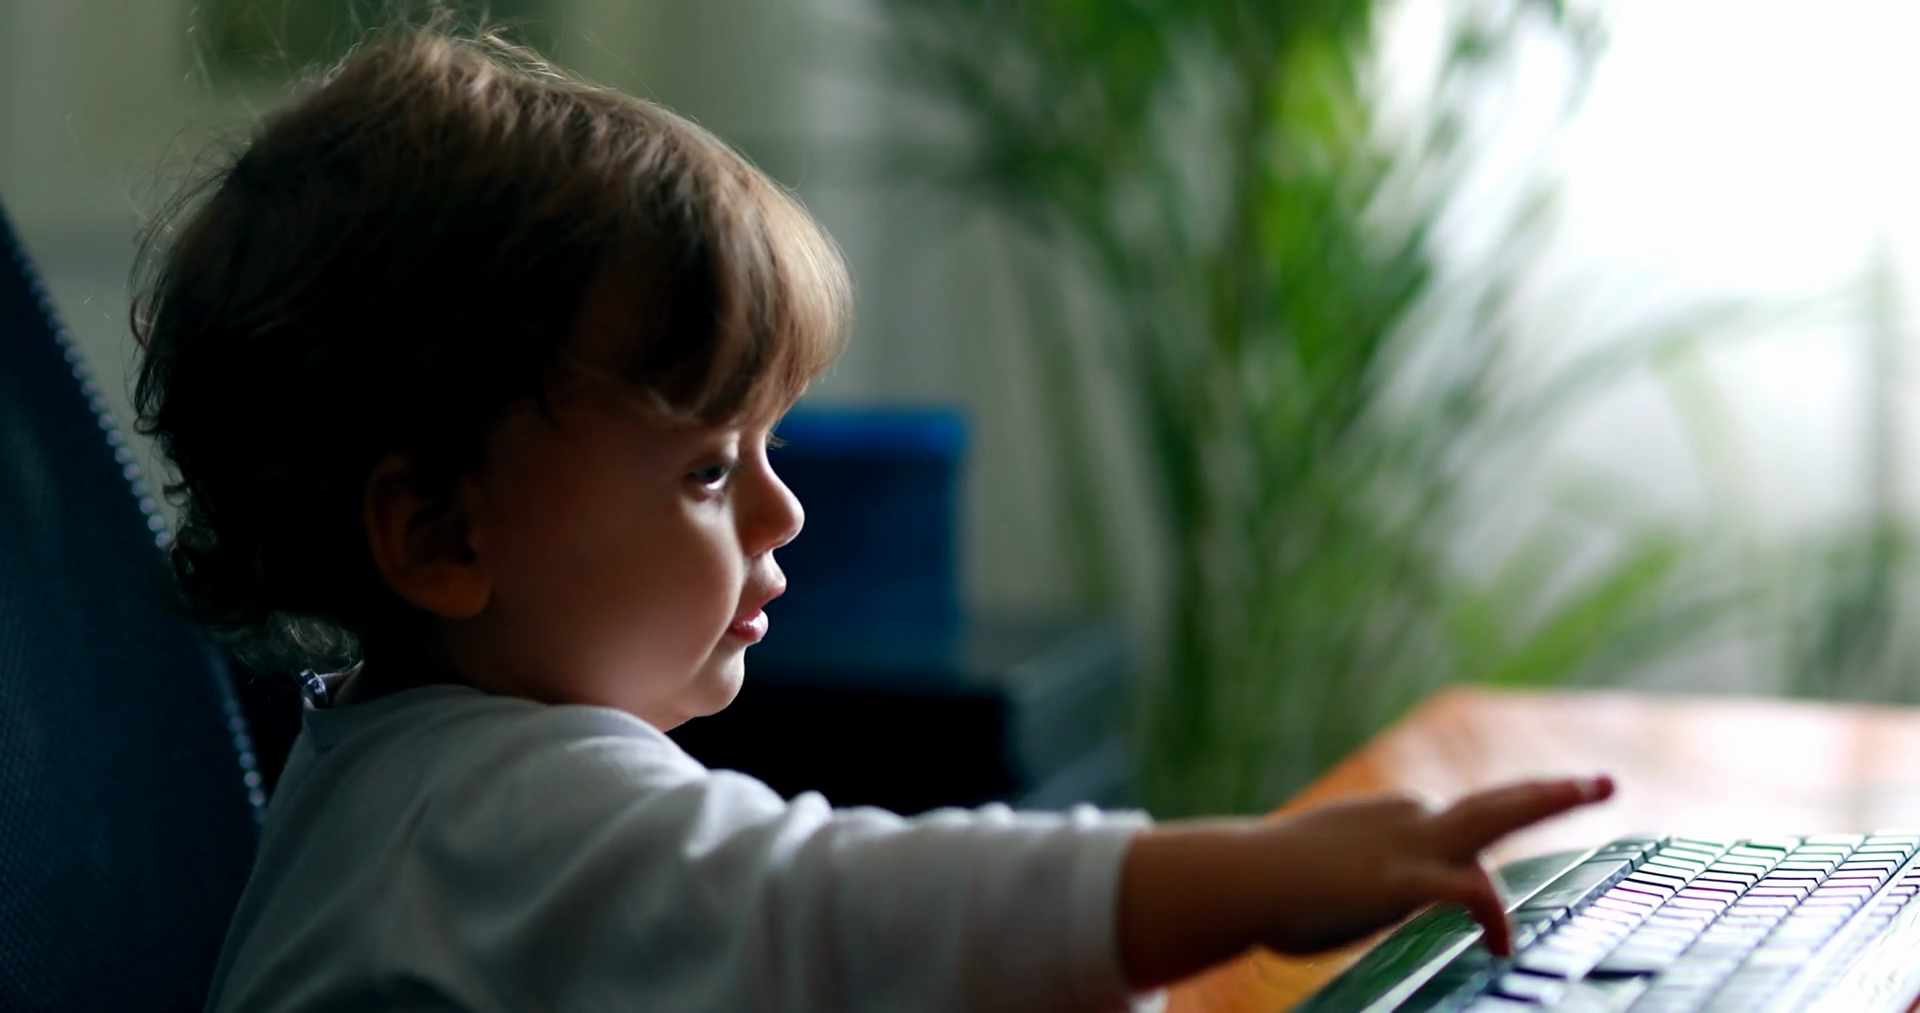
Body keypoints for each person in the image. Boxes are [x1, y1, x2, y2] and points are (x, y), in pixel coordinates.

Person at [132, 25, 1613, 1012]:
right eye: (709, 469)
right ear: (445, 538)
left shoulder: (391, 766)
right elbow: (850, 916)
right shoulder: (502, 817)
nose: (782, 508)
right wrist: (1261, 875)